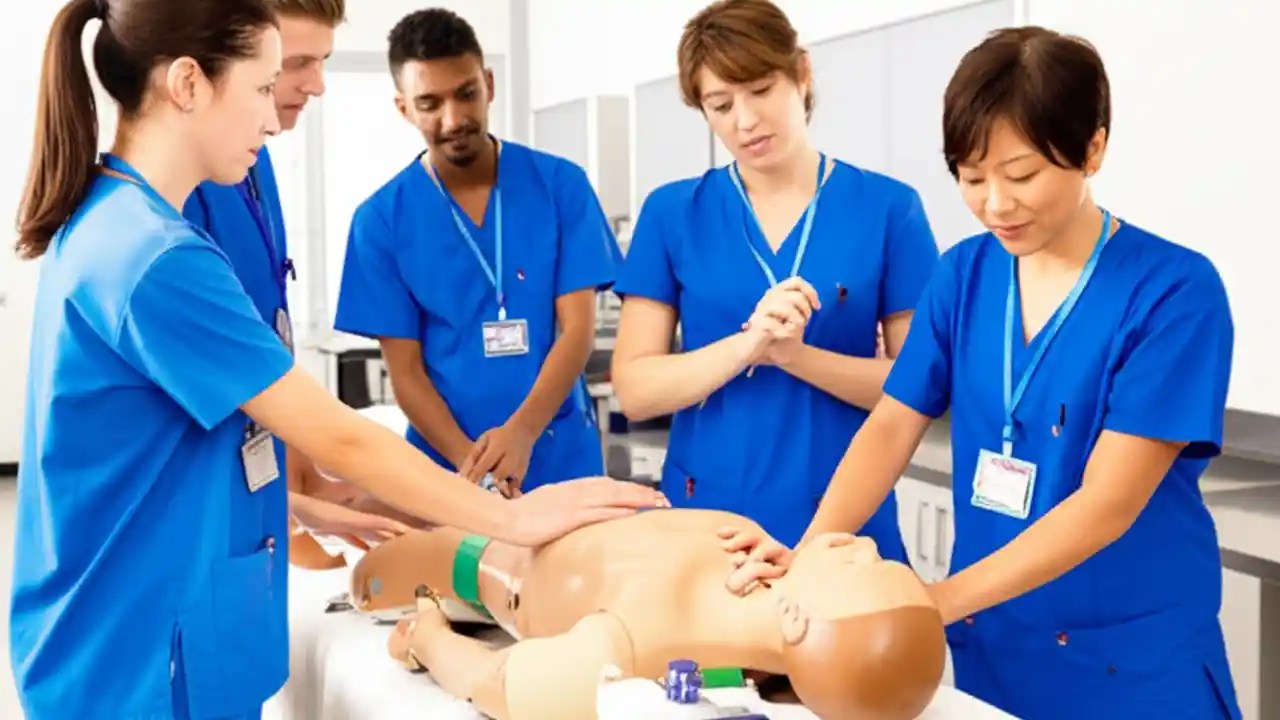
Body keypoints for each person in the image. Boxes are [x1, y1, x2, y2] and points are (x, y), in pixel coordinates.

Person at [8, 1, 665, 717]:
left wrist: (302, 502)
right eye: (264, 86)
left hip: (142, 626)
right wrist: (509, 520)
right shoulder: (155, 257)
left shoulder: (119, 223)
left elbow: (144, 463)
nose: (276, 112)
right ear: (189, 84)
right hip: (132, 652)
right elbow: (338, 431)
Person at [724, 26, 1242, 719]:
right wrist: (811, 562)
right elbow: (890, 426)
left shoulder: (1173, 292)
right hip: (992, 648)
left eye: (1021, 174)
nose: (996, 204)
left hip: (1129, 663)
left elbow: (1105, 505)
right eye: (971, 179)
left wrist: (924, 604)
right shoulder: (964, 275)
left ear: (1093, 148)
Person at [610, 0, 940, 551]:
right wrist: (748, 346)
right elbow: (636, 391)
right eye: (720, 105)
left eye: (761, 91)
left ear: (801, 73)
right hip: (705, 523)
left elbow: (916, 387)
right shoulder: (673, 213)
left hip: (841, 521)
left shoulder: (887, 210)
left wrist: (796, 356)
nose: (744, 121)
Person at [333, 8, 619, 499]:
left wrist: (523, 432)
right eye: (430, 103)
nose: (454, 119)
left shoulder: (559, 186)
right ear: (403, 108)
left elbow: (577, 331)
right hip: (448, 470)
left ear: (488, 84)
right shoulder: (380, 220)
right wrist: (475, 467)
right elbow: (406, 372)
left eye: (466, 93)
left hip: (559, 450)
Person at [179, 0, 406, 564]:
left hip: (254, 497)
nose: (318, 85)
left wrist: (303, 485)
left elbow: (267, 340)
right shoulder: (173, 209)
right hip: (202, 514)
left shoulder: (252, 166)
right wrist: (498, 517)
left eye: (323, 61)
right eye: (297, 62)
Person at [349, 509, 946, 720]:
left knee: (371, 576)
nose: (865, 546)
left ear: (794, 619)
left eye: (861, 567)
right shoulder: (768, 572)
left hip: (489, 559)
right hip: (538, 517)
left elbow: (501, 687)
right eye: (886, 559)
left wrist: (428, 637)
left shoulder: (643, 639)